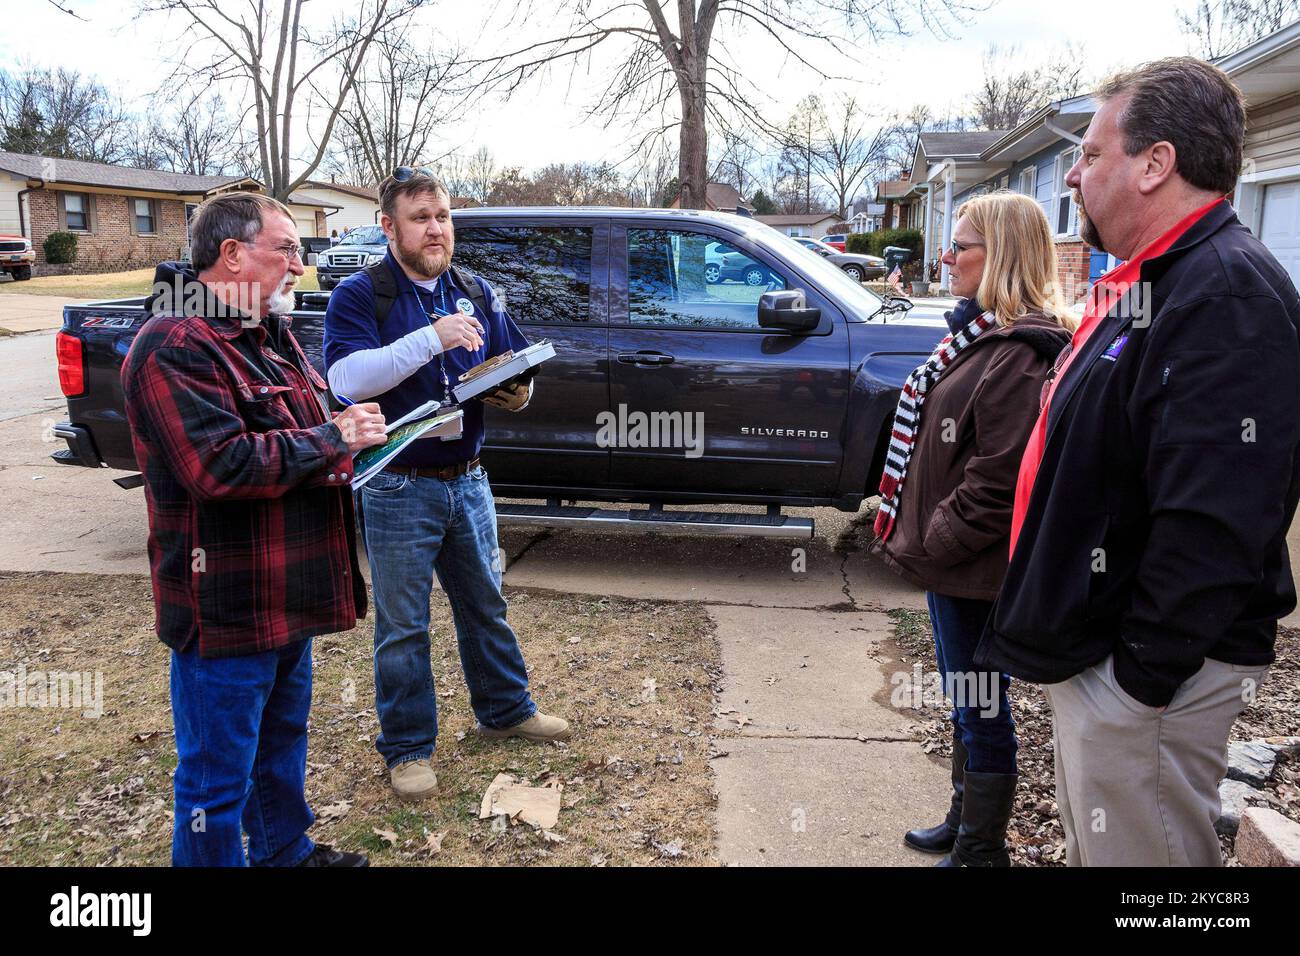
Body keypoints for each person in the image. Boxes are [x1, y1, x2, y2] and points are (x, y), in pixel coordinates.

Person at [975, 58, 1300, 866]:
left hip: (1147, 677)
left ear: (1156, 164)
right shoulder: (1158, 281)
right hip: (1105, 654)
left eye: (1089, 156)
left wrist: (1139, 681)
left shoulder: (1224, 295)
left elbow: (1218, 519)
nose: (1074, 178)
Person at [121, 192, 388, 866]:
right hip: (226, 602)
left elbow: (307, 435)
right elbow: (221, 467)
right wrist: (333, 437)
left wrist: (362, 438)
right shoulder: (174, 342)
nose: (301, 265)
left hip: (285, 589)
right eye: (287, 249)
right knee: (216, 780)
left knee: (280, 739)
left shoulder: (266, 333)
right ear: (233, 253)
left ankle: (283, 853)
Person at [323, 167, 569, 803]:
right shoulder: (361, 294)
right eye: (420, 218)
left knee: (485, 603)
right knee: (404, 625)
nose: (435, 230)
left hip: (469, 480)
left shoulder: (475, 290)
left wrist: (519, 387)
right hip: (399, 485)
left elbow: (508, 365)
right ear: (388, 227)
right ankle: (407, 749)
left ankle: (506, 710)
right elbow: (348, 378)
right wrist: (431, 340)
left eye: (442, 216)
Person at [872, 191, 1073, 866]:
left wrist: (937, 539)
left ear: (1004, 256)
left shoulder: (1018, 350)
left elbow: (998, 478)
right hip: (953, 564)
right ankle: (963, 822)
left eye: (962, 246)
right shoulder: (978, 333)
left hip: (974, 567)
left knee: (982, 704)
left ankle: (983, 850)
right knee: (966, 700)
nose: (947, 256)